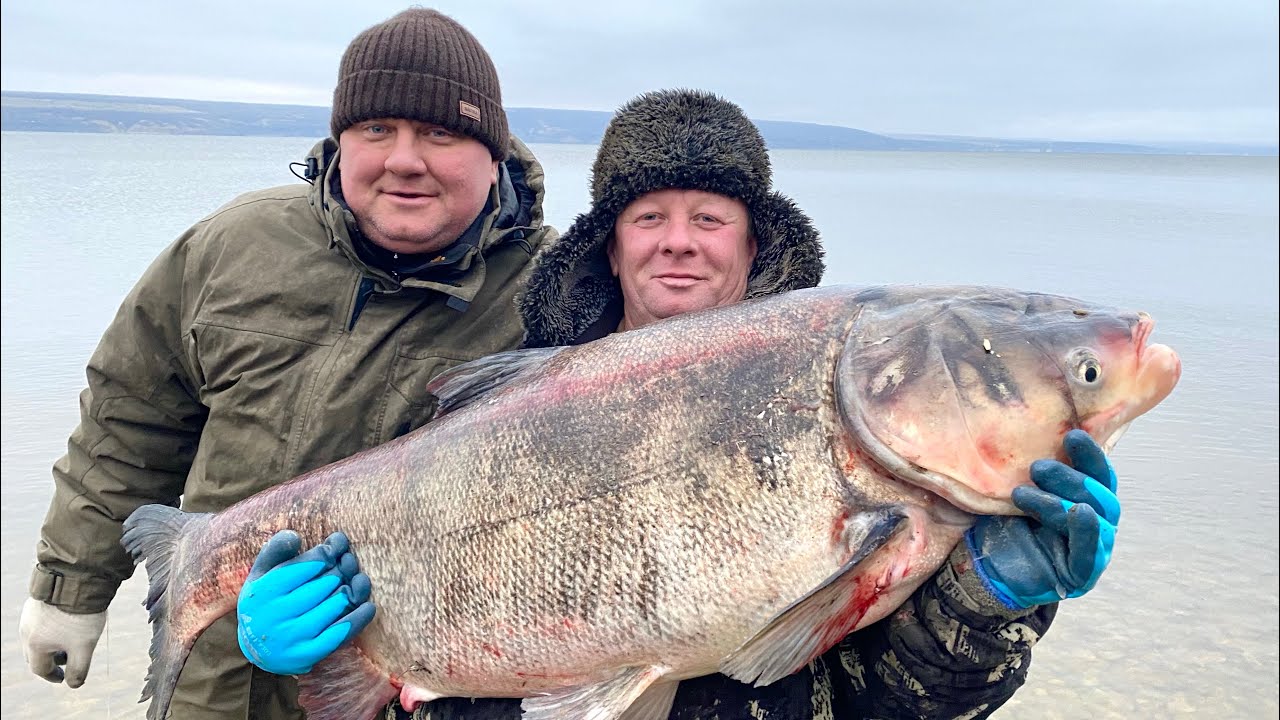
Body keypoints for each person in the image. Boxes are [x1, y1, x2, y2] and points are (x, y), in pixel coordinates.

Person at [236, 89, 1123, 720]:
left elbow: (896, 704)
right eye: (649, 216)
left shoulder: (886, 436)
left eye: (710, 217)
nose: (679, 243)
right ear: (610, 246)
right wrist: (317, 641)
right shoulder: (496, 411)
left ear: (752, 242)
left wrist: (987, 601)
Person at [16, 8, 557, 720]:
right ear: (340, 141)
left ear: (493, 153)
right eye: (376, 129)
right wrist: (70, 590)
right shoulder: (232, 248)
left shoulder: (556, 291)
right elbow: (130, 424)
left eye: (440, 133)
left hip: (418, 684)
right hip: (217, 682)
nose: (404, 160)